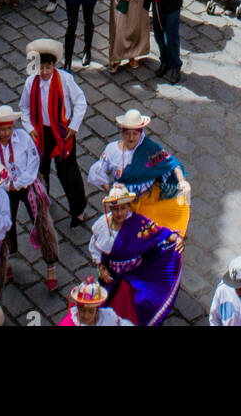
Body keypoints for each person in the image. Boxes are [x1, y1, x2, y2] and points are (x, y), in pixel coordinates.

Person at [0, 105, 58, 290]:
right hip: (4, 189)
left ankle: (51, 265)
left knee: (42, 221)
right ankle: (6, 261)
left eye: (9, 128)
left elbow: (33, 162)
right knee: (4, 226)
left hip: (28, 183)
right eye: (2, 129)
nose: (6, 132)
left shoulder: (23, 139)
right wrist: (7, 185)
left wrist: (21, 182)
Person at [88, 182, 184, 326]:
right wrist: (101, 268)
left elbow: (159, 233)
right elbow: (94, 248)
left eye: (123, 208)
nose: (119, 213)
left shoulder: (139, 224)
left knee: (139, 304)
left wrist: (176, 239)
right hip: (110, 277)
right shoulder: (102, 226)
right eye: (115, 209)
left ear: (129, 206)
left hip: (135, 275)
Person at [87, 108, 192, 235]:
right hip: (124, 203)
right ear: (122, 132)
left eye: (135, 134)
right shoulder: (111, 150)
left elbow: (172, 164)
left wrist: (182, 181)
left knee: (153, 233)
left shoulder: (150, 149)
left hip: (147, 201)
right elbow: (98, 171)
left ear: (141, 133)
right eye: (127, 134)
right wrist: (110, 189)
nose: (131, 138)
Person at [20, 39, 88, 227]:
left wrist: (74, 126)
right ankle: (42, 204)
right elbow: (24, 108)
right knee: (41, 171)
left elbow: (80, 101)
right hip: (40, 133)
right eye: (41, 68)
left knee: (68, 173)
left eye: (48, 68)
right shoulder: (30, 83)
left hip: (62, 132)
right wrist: (30, 129)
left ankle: (78, 209)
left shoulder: (65, 80)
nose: (44, 72)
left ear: (54, 66)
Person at [59, 275, 134, 327]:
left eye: (91, 311)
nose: (86, 315)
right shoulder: (69, 323)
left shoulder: (108, 317)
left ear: (97, 309)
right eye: (81, 310)